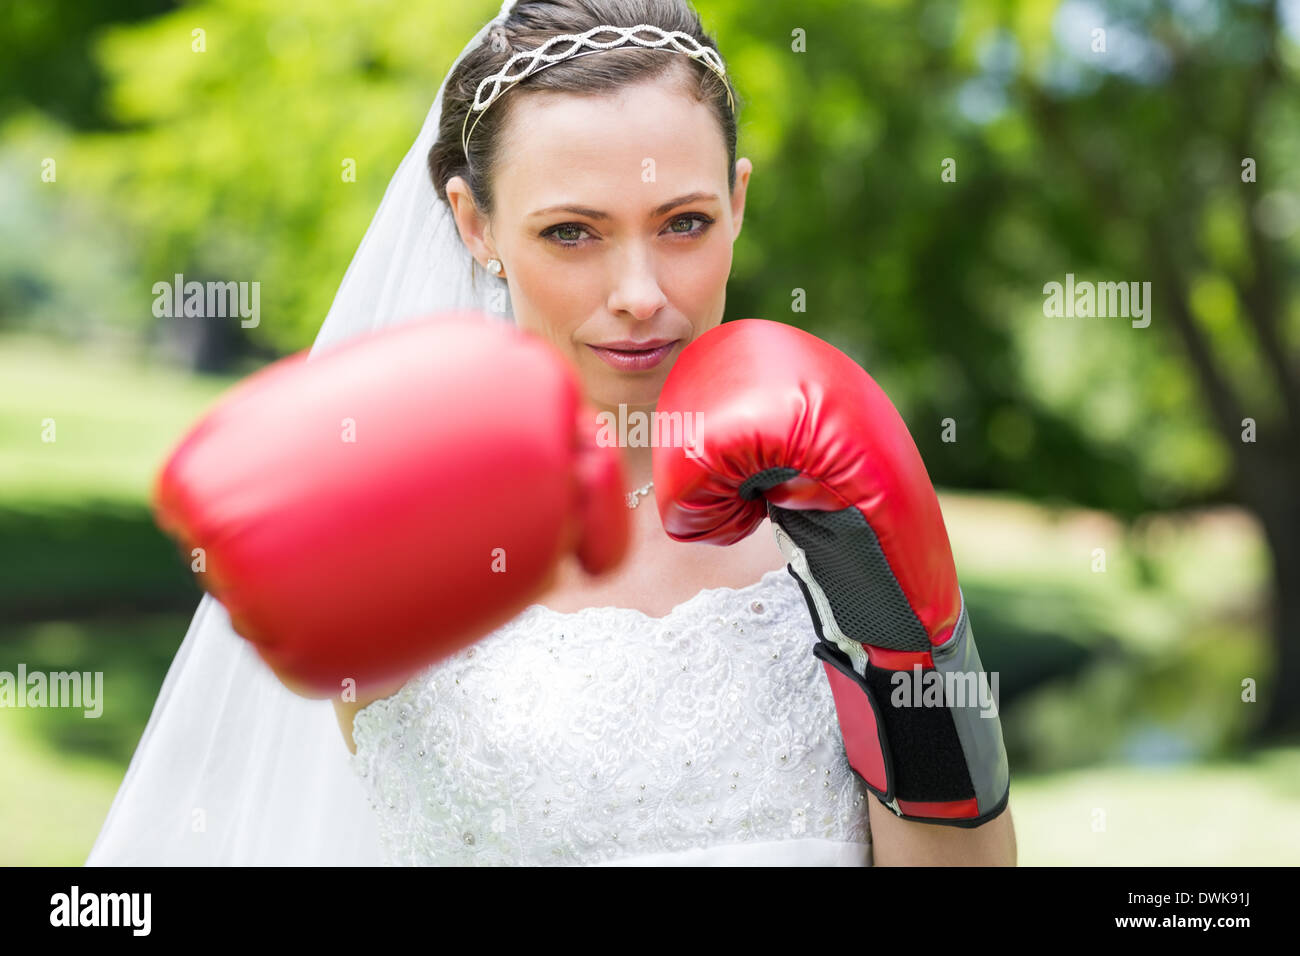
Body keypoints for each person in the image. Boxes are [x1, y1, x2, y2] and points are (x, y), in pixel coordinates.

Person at [87, 0, 1016, 866]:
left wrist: (909, 639)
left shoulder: (835, 500)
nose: (641, 293)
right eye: (573, 233)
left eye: (684, 223)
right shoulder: (404, 525)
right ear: (474, 223)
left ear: (737, 201)